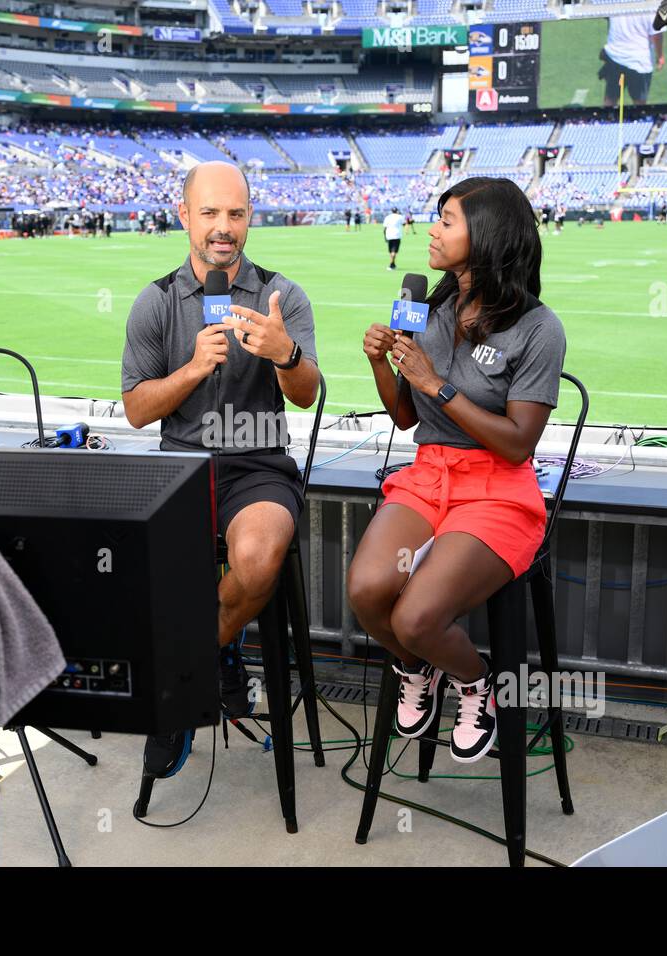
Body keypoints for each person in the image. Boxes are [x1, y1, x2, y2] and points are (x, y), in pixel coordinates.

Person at [347, 177, 565, 763]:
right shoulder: (429, 304)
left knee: (417, 616)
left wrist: (434, 384)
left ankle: (475, 683)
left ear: (487, 234)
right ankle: (422, 669)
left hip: (496, 489)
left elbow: (519, 445)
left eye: (447, 220)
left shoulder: (539, 327)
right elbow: (403, 417)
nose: (432, 230)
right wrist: (382, 365)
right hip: (428, 475)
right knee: (368, 591)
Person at [120, 161, 320, 778]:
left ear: (250, 217)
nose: (222, 227)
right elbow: (133, 410)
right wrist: (190, 370)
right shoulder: (156, 300)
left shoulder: (281, 294)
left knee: (258, 560)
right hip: (181, 472)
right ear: (185, 217)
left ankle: (183, 681)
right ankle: (222, 645)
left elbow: (307, 394)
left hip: (258, 466)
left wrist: (283, 353)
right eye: (209, 212)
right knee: (131, 575)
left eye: (234, 213)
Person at [600, 13, 665, 107]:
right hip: (640, 61)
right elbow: (657, 33)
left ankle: (605, 120)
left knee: (610, 99)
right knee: (639, 104)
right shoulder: (651, 6)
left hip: (616, 57)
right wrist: (660, 56)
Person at [383, 206, 405, 271]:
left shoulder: (388, 217)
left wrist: (385, 237)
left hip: (389, 235)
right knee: (394, 251)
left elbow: (384, 228)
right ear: (397, 211)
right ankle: (392, 264)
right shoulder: (400, 217)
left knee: (391, 251)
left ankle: (393, 263)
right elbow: (404, 224)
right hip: (397, 235)